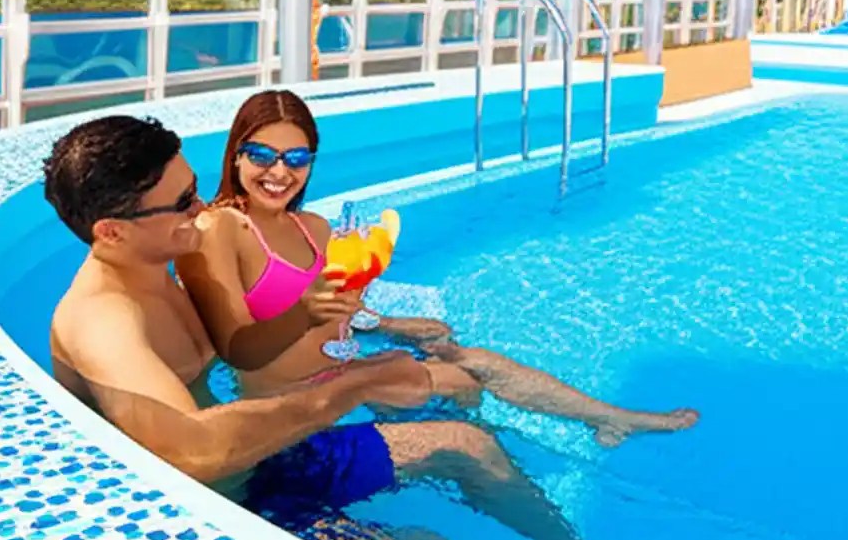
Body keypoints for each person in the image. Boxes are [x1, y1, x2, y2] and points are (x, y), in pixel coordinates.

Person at [42, 114, 608, 540]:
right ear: (111, 231)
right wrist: (354, 384)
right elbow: (194, 451)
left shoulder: (162, 265)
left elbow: (244, 345)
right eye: (183, 202)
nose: (201, 206)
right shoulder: (101, 321)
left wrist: (361, 327)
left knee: (469, 445)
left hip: (266, 463)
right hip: (221, 513)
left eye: (193, 189)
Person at [173, 89, 699, 449]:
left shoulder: (313, 225)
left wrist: (389, 325)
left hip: (341, 367)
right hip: (291, 396)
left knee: (472, 358)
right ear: (235, 154)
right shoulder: (221, 230)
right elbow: (235, 347)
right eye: (262, 153)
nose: (279, 171)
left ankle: (609, 418)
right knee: (460, 383)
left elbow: (336, 305)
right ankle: (461, 439)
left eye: (297, 158)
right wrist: (310, 320)